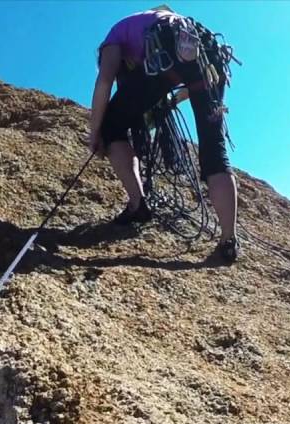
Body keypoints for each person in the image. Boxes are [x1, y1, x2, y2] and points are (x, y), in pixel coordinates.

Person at [87, 7, 240, 262]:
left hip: (167, 52)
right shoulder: (158, 20)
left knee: (111, 126)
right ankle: (228, 240)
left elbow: (104, 81)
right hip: (210, 56)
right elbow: (190, 76)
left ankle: (138, 205)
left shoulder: (113, 39)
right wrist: (170, 100)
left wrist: (95, 132)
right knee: (214, 148)